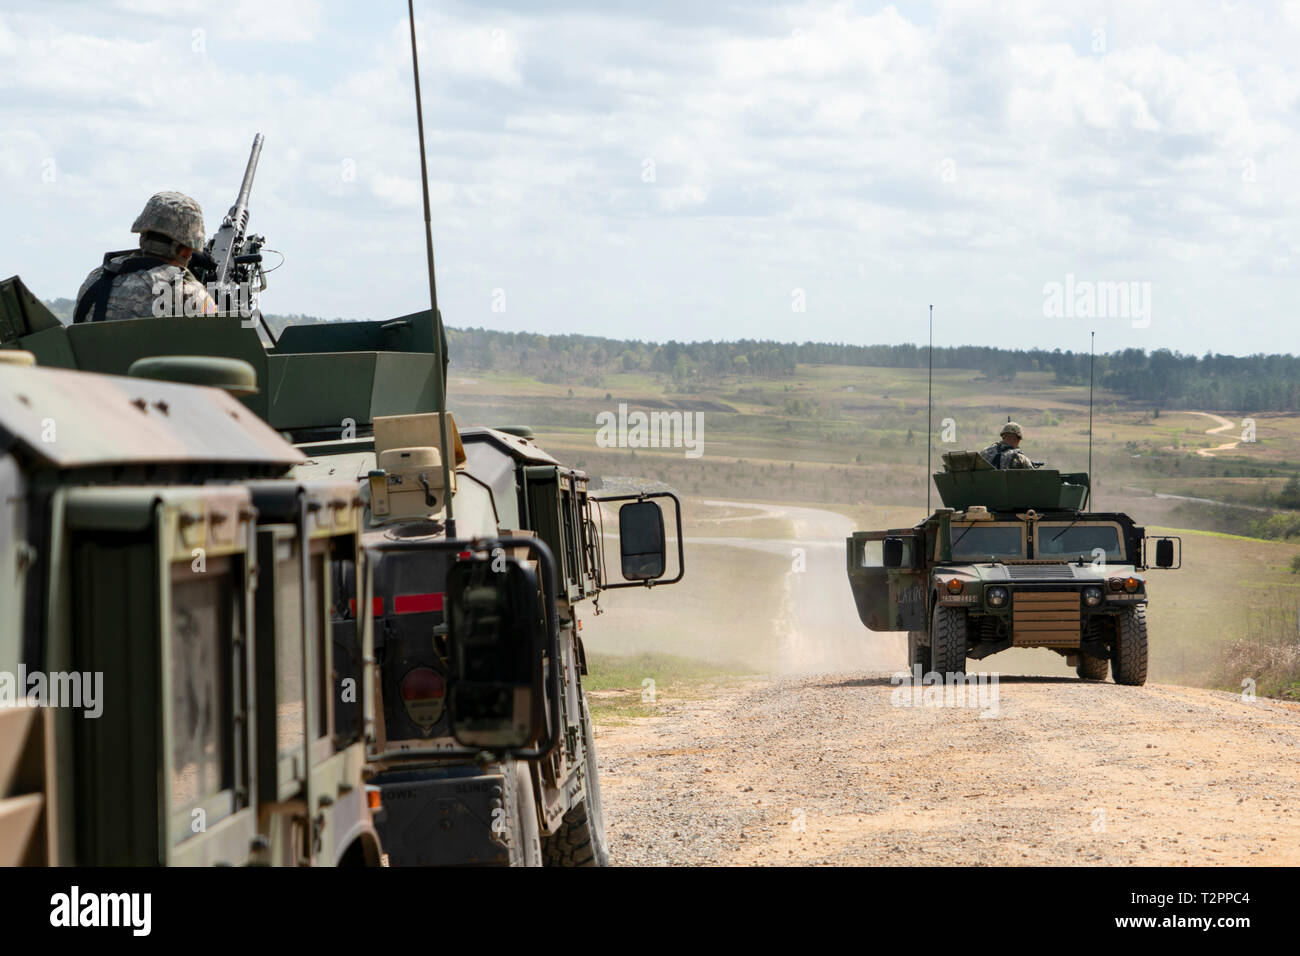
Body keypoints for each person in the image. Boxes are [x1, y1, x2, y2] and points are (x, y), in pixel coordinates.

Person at [73, 191, 218, 323]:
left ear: (142, 236)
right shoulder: (185, 291)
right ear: (187, 251)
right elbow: (221, 334)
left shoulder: (96, 278)